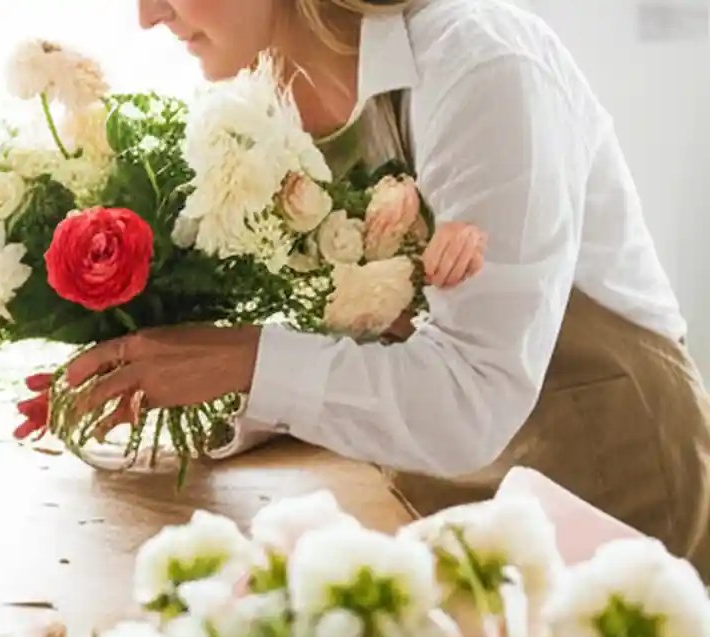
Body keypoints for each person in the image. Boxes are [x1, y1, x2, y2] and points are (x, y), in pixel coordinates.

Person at [43, 0, 710, 576]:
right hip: (444, 493)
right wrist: (183, 392)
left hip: (610, 486)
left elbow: (471, 399)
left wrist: (242, 361)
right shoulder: (266, 102)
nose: (146, 15)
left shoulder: (484, 68)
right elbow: (340, 354)